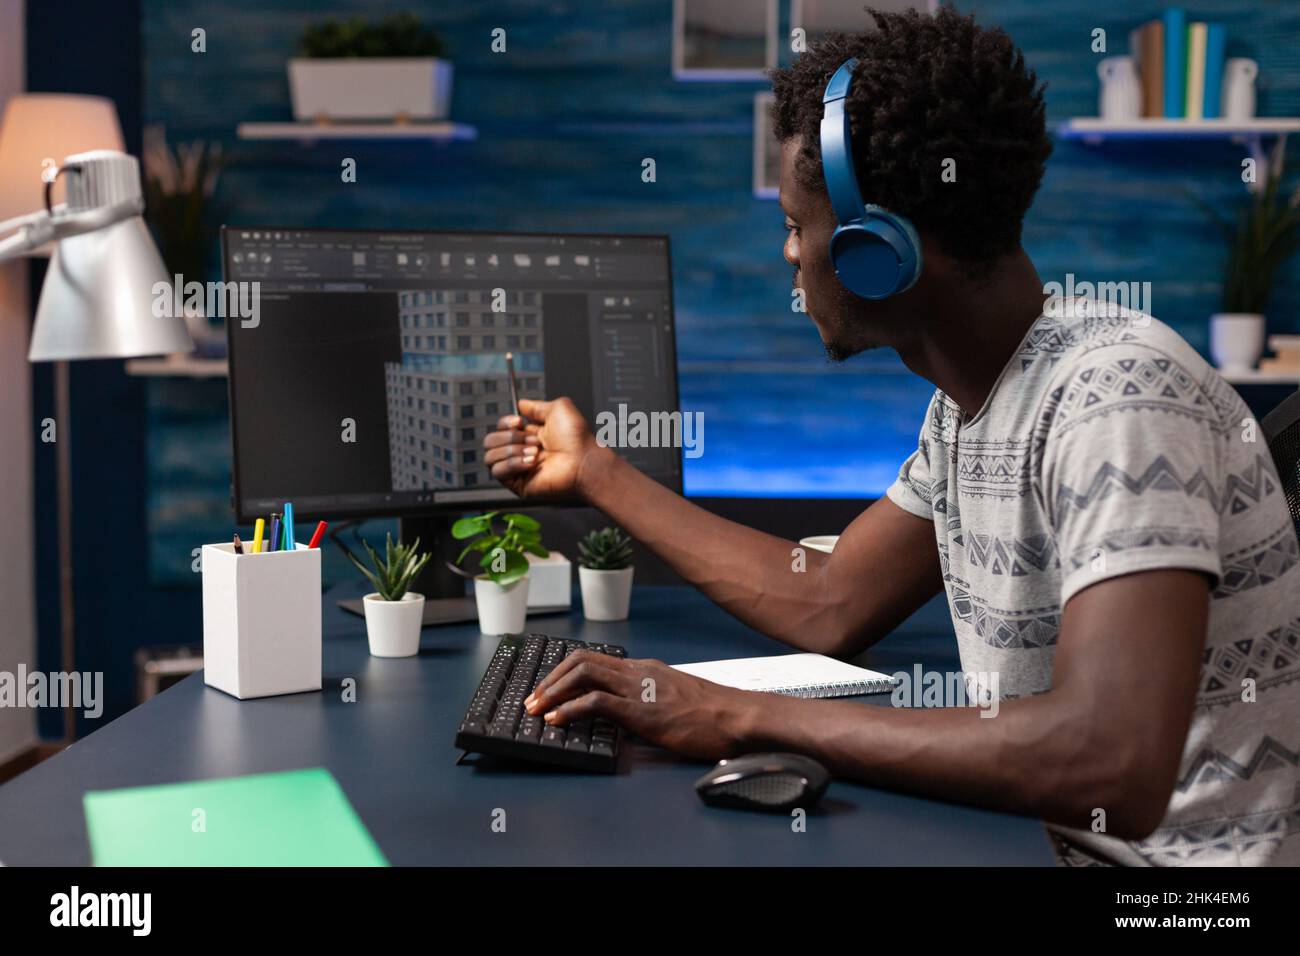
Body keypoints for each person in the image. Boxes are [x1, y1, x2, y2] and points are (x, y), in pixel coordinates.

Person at [482, 8, 1300, 866]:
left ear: (882, 252)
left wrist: (734, 714)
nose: (791, 254)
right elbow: (830, 599)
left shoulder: (1116, 399)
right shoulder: (972, 405)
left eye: (800, 226)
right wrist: (596, 471)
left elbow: (1110, 761)